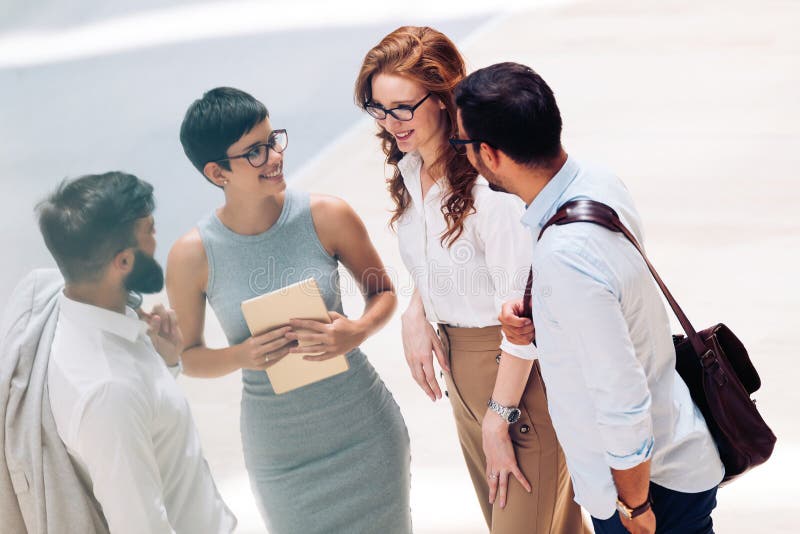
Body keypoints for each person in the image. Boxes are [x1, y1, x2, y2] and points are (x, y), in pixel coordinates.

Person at [454, 61, 725, 534]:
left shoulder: (566, 254)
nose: (463, 156)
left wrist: (634, 507)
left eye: (463, 145)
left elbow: (621, 396)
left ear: (490, 154)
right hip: (669, 451)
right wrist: (543, 315)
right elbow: (611, 294)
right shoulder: (596, 183)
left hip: (647, 485)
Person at [355, 27, 586, 533]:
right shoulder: (412, 170)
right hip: (461, 374)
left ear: (443, 98)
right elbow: (446, 262)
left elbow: (523, 309)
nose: (390, 123)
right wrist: (417, 312)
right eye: (378, 108)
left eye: (403, 108)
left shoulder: (490, 190)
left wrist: (499, 414)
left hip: (517, 379)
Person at [168, 87, 411, 534]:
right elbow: (188, 357)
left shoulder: (328, 215)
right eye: (254, 152)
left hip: (364, 431)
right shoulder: (192, 255)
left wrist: (356, 331)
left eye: (272, 140)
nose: (275, 157)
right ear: (217, 172)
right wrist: (241, 355)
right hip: (281, 457)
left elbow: (384, 292)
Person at [37, 171, 237, 533]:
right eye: (151, 230)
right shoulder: (108, 392)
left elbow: (146, 419)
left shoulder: (94, 313)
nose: (157, 238)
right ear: (124, 262)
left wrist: (167, 363)